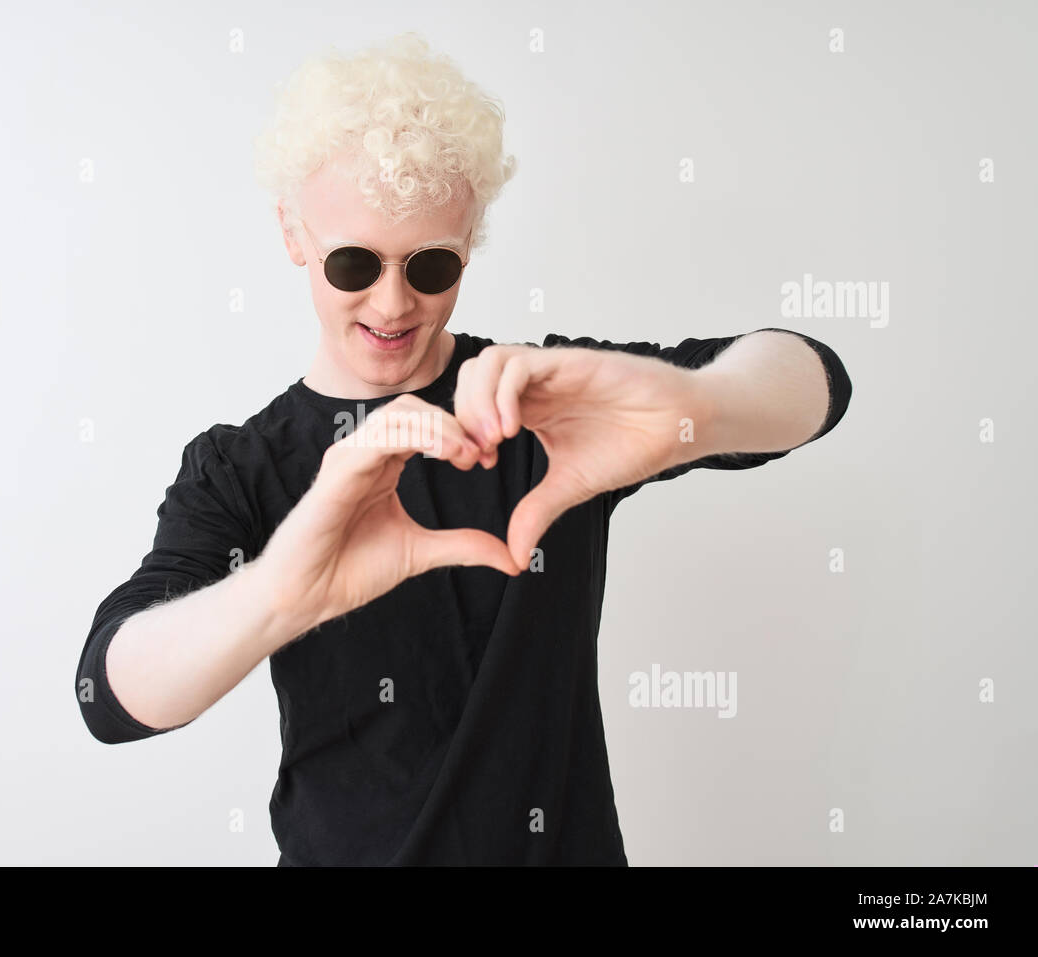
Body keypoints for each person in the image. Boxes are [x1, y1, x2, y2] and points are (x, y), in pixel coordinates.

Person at [74, 32, 852, 866]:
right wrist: (281, 594)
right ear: (293, 234)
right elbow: (111, 695)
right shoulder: (240, 465)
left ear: (471, 239)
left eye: (432, 263)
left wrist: (699, 404)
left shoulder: (546, 400)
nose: (393, 300)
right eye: (352, 261)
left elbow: (815, 384)